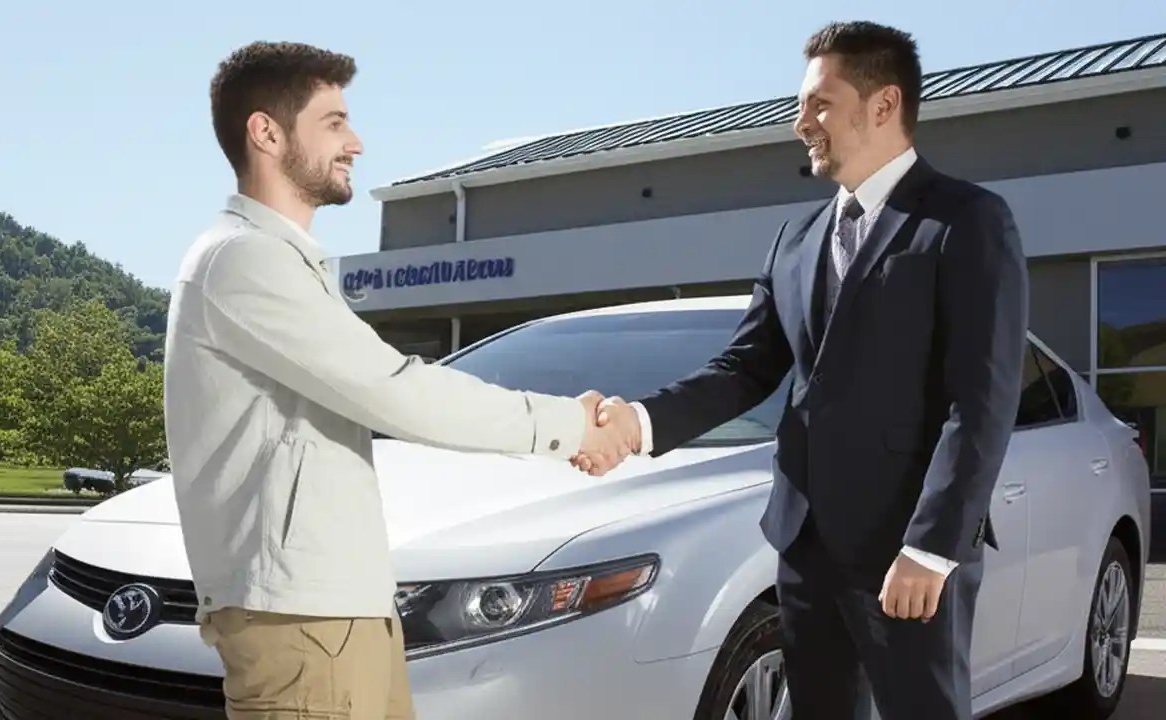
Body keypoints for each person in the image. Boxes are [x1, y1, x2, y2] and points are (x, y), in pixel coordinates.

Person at [163, 41, 630, 720]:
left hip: (340, 613)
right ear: (265, 132)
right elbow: (398, 389)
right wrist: (571, 427)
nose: (356, 141)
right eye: (333, 122)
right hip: (302, 623)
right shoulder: (244, 261)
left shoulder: (279, 261)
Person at [575, 21, 1028, 720]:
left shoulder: (967, 221)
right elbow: (744, 368)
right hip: (804, 545)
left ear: (882, 105)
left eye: (819, 103)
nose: (800, 123)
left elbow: (982, 402)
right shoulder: (797, 238)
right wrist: (637, 422)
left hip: (905, 550)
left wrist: (933, 547)